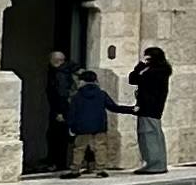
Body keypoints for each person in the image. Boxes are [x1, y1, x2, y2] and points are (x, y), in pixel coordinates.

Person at [63, 67, 119, 177]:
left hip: (82, 127)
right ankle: (100, 169)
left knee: (79, 148)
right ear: (95, 81)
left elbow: (72, 112)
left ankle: (75, 169)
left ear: (82, 81)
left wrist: (70, 126)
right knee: (100, 147)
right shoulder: (101, 94)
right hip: (99, 125)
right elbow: (113, 107)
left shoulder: (77, 96)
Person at [126, 45, 171, 174]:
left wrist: (139, 66)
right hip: (153, 107)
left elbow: (133, 79)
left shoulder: (154, 71)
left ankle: (154, 164)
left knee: (148, 135)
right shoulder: (161, 70)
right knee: (153, 134)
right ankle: (156, 163)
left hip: (149, 107)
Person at [44, 47, 74, 175]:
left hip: (60, 110)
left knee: (56, 136)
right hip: (62, 109)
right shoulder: (63, 71)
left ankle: (58, 163)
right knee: (58, 136)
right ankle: (58, 162)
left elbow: (60, 94)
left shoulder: (60, 74)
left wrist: (60, 112)